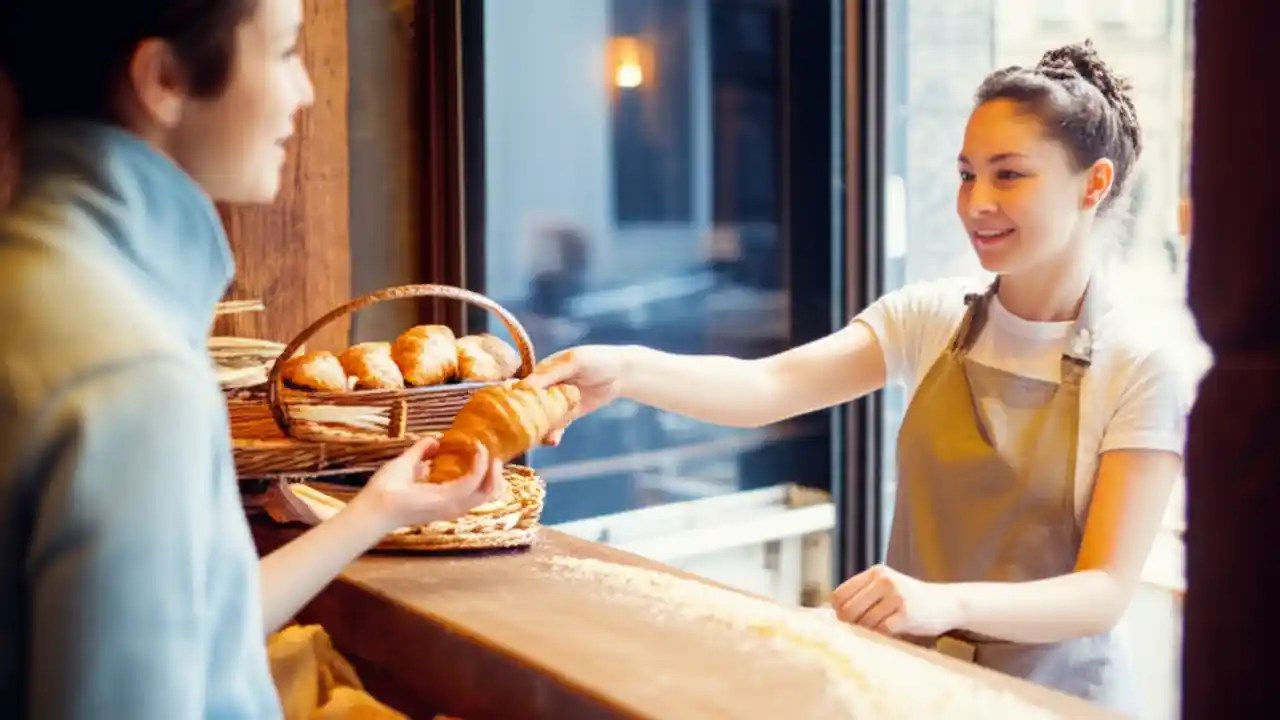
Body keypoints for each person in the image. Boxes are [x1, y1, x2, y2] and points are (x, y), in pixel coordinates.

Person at [527, 40, 1183, 713]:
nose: (976, 202)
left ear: (1093, 185)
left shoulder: (1139, 366)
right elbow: (767, 389)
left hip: (1054, 703)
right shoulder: (930, 318)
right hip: (918, 687)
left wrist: (941, 602)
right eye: (966, 174)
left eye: (1008, 175)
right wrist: (625, 368)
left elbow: (1102, 591)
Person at [0, 1, 503, 717]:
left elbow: (193, 639)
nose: (305, 90)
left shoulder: (38, 293)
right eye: (286, 51)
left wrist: (373, 513)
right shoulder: (134, 378)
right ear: (165, 77)